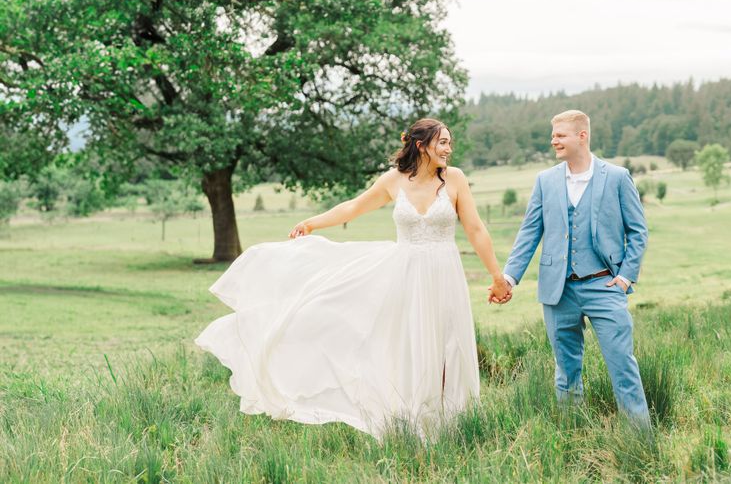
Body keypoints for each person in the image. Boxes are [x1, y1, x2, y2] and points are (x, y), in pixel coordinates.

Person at [195, 118, 511, 439]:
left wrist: (497, 277)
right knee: (410, 346)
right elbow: (353, 207)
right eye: (442, 142)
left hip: (445, 272)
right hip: (406, 274)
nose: (449, 148)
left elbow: (475, 229)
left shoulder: (455, 179)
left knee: (449, 344)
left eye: (449, 142)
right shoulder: (394, 180)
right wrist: (313, 223)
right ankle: (412, 423)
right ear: (421, 145)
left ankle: (455, 424)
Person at [494, 109, 651, 427]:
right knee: (566, 375)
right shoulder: (545, 180)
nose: (554, 141)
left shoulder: (617, 177)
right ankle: (572, 443)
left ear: (582, 136)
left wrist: (624, 277)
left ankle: (641, 445)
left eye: (560, 135)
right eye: (553, 135)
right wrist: (508, 277)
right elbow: (529, 231)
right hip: (557, 290)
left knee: (623, 368)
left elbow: (638, 231)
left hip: (605, 286)